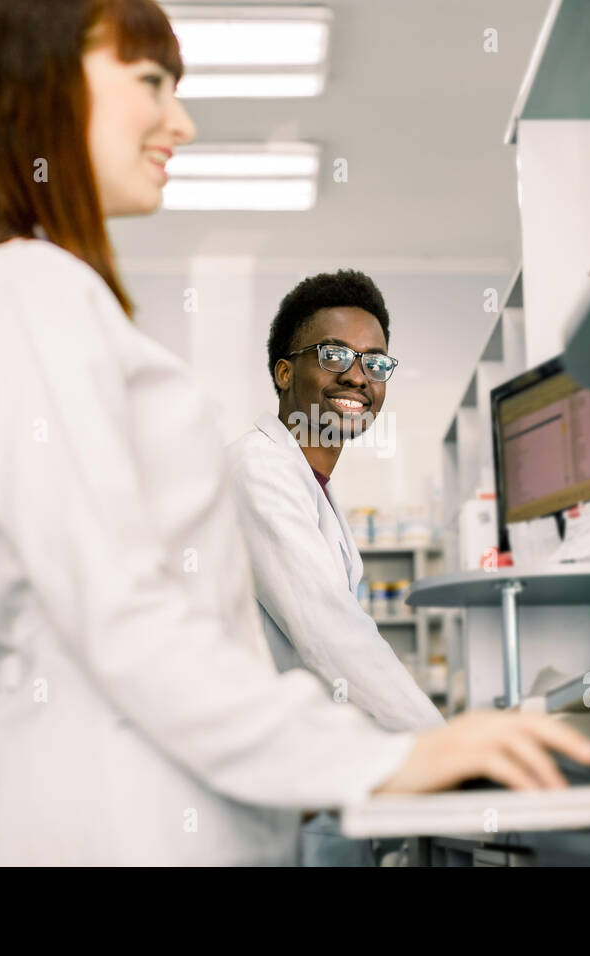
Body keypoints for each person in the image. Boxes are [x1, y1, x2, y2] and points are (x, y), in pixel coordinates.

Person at [0, 0, 590, 866]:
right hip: (110, 822)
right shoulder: (25, 288)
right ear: (38, 85)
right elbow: (127, 619)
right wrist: (401, 755)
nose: (180, 122)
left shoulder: (17, 289)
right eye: (151, 82)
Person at [229, 271, 445, 866]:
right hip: (261, 802)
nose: (358, 376)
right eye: (335, 355)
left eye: (376, 363)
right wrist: (445, 748)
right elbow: (332, 634)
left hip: (304, 788)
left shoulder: (314, 491)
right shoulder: (257, 471)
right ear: (283, 372)